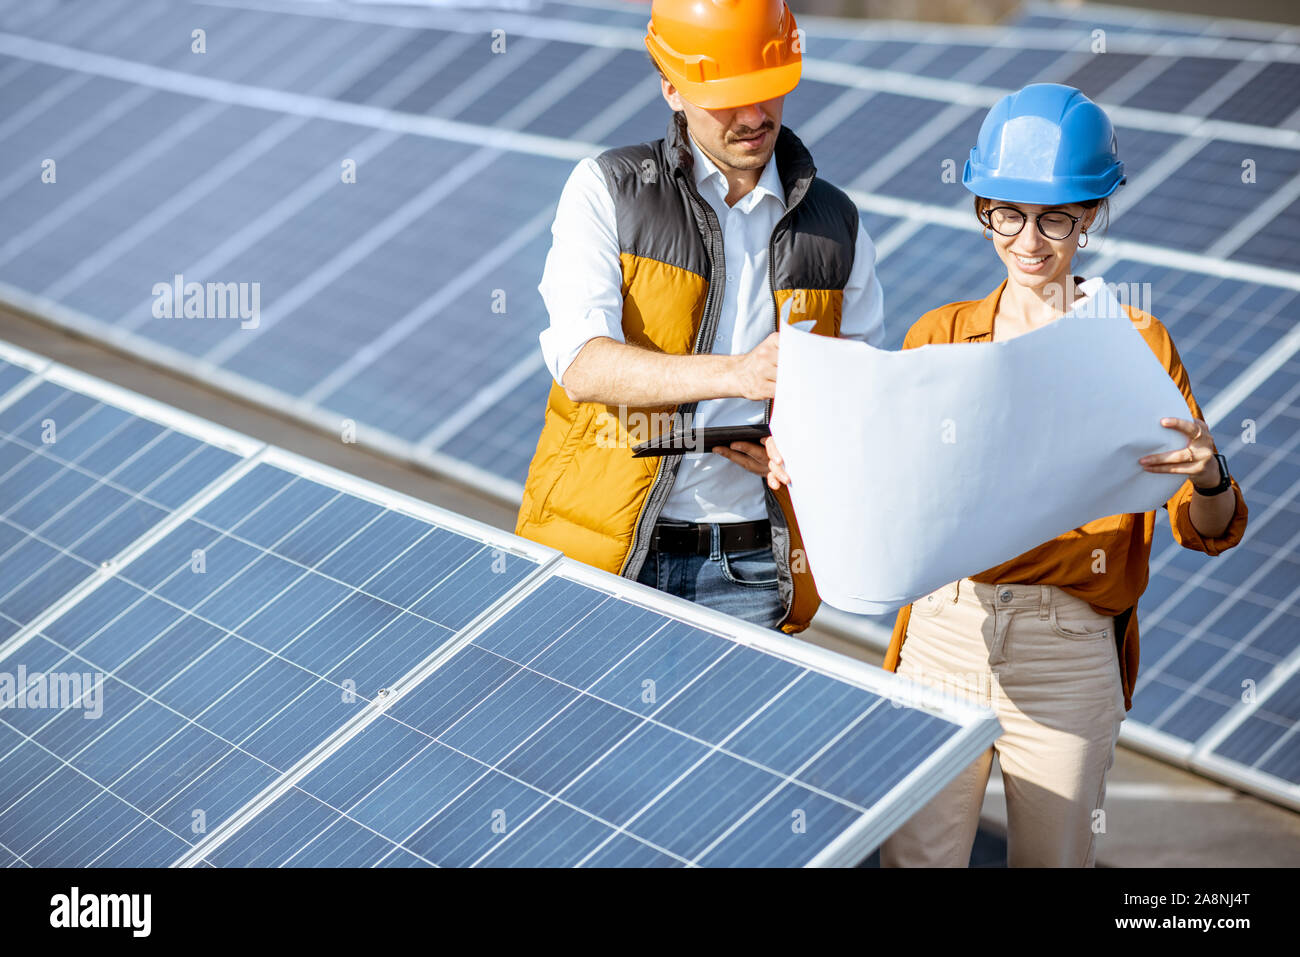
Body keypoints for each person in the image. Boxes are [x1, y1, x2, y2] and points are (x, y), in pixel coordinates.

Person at [764, 83, 1248, 866]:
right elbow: (881, 485)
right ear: (983, 207)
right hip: (943, 633)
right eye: (1007, 214)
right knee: (917, 860)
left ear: (1091, 215)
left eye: (1055, 217)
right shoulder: (942, 334)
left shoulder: (1137, 342)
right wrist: (803, 461)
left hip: (1068, 652)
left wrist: (1211, 475)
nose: (1029, 240)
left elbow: (1208, 528)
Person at [517, 0, 884, 632]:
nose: (753, 117)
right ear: (672, 89)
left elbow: (860, 399)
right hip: (607, 552)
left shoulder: (837, 226)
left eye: (768, 93)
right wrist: (737, 375)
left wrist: (806, 450)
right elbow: (583, 365)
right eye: (727, 98)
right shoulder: (608, 188)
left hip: (752, 567)